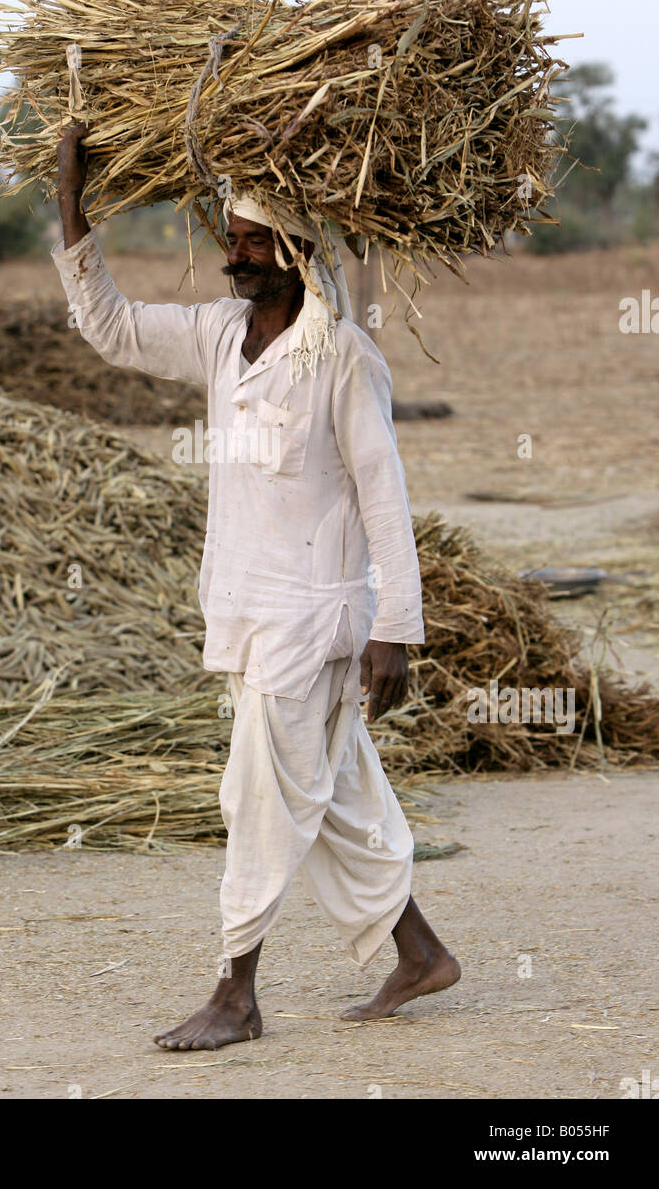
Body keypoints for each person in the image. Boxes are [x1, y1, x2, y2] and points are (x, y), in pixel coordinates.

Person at [53, 125, 460, 1051]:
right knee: (339, 793)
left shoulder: (343, 358)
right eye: (230, 241)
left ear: (298, 252)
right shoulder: (217, 337)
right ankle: (421, 953)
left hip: (313, 622)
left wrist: (397, 627)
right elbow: (111, 326)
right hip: (245, 613)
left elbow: (385, 498)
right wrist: (72, 203)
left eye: (253, 242)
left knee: (260, 799)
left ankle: (235, 992)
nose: (235, 258)